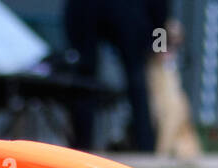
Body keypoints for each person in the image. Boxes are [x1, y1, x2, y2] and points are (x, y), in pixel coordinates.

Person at [64, 0, 169, 153]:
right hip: (127, 11)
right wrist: (160, 43)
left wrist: (160, 42)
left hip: (89, 9)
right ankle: (146, 146)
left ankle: (81, 146)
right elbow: (161, 7)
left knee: (85, 77)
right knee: (136, 79)